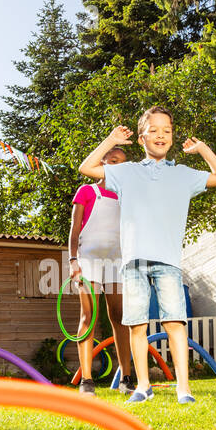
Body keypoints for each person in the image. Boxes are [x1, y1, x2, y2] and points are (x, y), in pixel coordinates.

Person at [78, 106, 216, 405]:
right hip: (133, 262)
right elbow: (87, 168)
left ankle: (184, 389)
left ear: (172, 137)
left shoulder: (184, 175)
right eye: (154, 130)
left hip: (168, 262)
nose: (161, 135)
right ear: (141, 137)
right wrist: (111, 141)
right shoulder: (126, 172)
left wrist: (203, 149)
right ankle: (142, 386)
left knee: (175, 322)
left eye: (167, 130)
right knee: (136, 324)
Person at [68, 145, 133, 395]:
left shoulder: (127, 198)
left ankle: (126, 378)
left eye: (122, 163)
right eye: (113, 160)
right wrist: (73, 261)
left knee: (119, 316)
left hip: (117, 261)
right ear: (102, 163)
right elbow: (74, 231)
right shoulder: (87, 191)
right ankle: (87, 380)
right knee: (89, 316)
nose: (117, 166)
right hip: (89, 260)